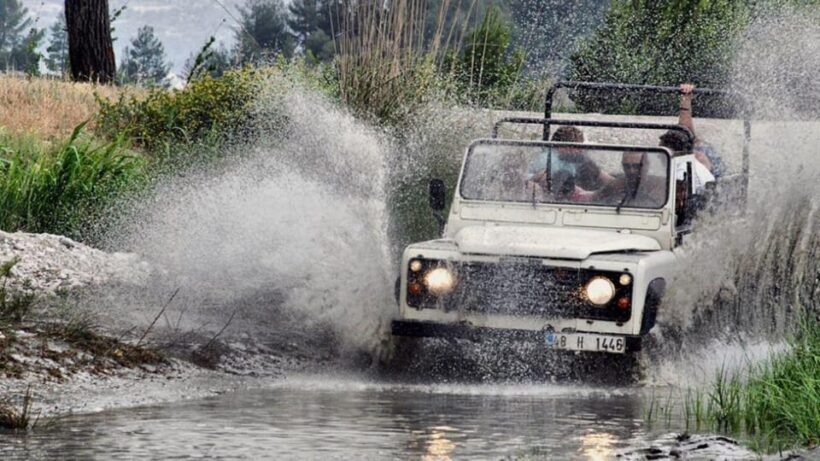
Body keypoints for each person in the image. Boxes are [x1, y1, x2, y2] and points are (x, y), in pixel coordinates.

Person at [527, 126, 612, 192]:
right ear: (565, 147)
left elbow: (597, 174)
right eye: (578, 147)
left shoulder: (573, 158)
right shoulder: (549, 160)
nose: (581, 150)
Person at [678, 83, 727, 178]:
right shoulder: (667, 157)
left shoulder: (702, 152)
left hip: (711, 179)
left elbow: (686, 131)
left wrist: (685, 99)